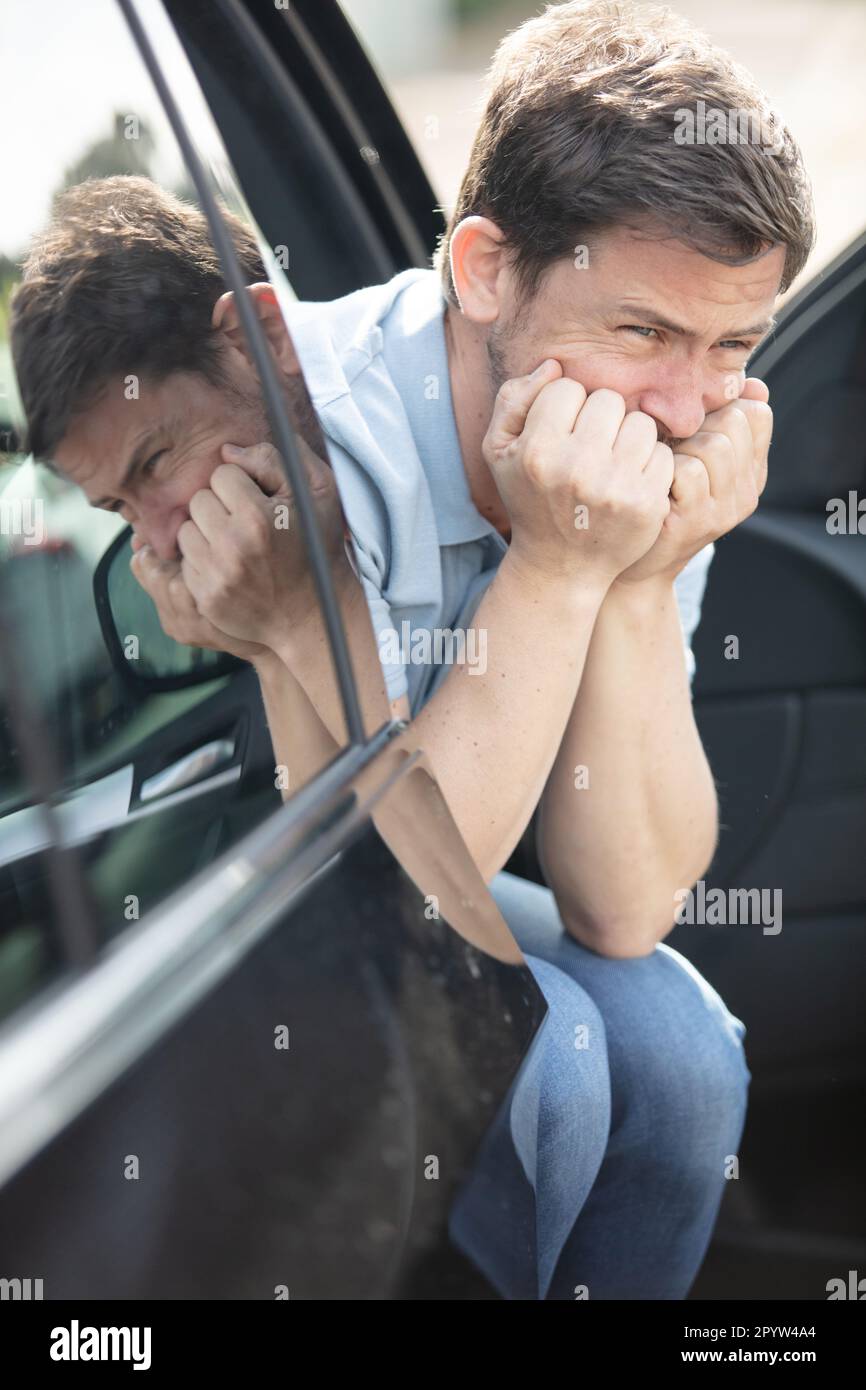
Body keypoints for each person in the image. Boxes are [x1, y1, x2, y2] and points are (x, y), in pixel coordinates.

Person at [10, 0, 813, 1299]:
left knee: (674, 1038)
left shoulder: (649, 428)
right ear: (486, 267)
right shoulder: (305, 439)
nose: (682, 402)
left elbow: (625, 905)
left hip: (425, 884)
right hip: (350, 914)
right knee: (552, 1060)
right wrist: (544, 564)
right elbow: (414, 896)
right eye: (641, 332)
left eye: (730, 345)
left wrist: (632, 574)